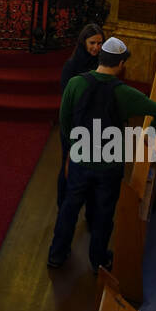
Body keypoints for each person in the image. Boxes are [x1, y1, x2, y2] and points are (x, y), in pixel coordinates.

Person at [47, 36, 156, 275]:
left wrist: (74, 149)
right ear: (121, 63)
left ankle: (56, 255)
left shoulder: (75, 83)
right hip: (109, 165)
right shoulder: (125, 93)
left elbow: (64, 121)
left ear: (100, 57)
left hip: (80, 159)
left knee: (69, 209)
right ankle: (99, 262)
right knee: (104, 215)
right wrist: (148, 135)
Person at [57, 22, 103, 211]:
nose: (96, 47)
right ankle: (63, 206)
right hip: (73, 125)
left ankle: (90, 210)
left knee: (93, 168)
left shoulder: (102, 63)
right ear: (83, 42)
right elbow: (66, 99)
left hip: (95, 125)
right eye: (92, 43)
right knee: (68, 165)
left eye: (100, 43)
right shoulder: (72, 65)